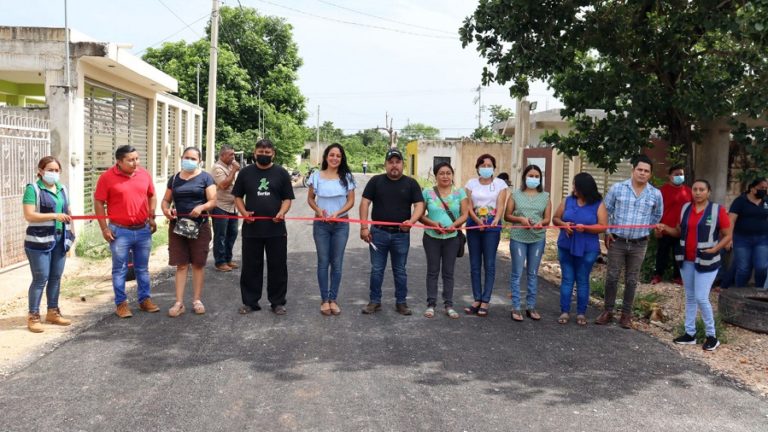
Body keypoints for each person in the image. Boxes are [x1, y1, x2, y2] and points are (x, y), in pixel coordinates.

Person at [656, 179, 732, 351]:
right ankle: (690, 334)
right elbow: (678, 231)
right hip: (686, 259)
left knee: (701, 297)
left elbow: (728, 235)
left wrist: (715, 249)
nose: (697, 192)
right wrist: (665, 228)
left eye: (702, 189)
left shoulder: (717, 210)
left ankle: (712, 336)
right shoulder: (686, 209)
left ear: (708, 192)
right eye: (695, 189)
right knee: (690, 297)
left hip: (707, 259)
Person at [595, 154, 663, 328]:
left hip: (639, 243)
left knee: (632, 279)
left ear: (650, 174)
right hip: (617, 241)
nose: (642, 173)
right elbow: (605, 210)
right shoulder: (618, 188)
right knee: (611, 277)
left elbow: (657, 215)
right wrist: (607, 231)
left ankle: (626, 315)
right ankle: (608, 311)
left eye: (646, 171)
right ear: (633, 170)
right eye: (639, 169)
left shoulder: (655, 194)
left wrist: (647, 229)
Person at [94, 145, 159, 318]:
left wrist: (151, 215)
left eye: (137, 158)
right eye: (130, 160)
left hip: (143, 229)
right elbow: (99, 202)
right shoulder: (107, 177)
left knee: (142, 268)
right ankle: (121, 304)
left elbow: (152, 194)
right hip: (119, 231)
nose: (135, 162)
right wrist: (104, 228)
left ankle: (145, 300)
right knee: (120, 269)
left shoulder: (144, 174)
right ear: (119, 161)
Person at [359, 148, 425, 315]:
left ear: (403, 164)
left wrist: (411, 221)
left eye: (397, 162)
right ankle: (374, 301)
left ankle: (401, 303)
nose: (394, 165)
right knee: (376, 269)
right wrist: (364, 227)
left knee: (400, 270)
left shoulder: (411, 183)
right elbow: (365, 203)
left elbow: (419, 206)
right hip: (378, 233)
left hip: (401, 235)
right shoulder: (375, 181)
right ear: (385, 164)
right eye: (391, 162)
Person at [233, 139, 295, 315]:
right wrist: (243, 212)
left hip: (276, 229)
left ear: (273, 154)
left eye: (268, 153)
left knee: (278, 267)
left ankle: (277, 302)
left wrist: (282, 212)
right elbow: (237, 196)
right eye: (261, 151)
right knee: (251, 267)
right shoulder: (245, 173)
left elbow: (287, 199)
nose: (264, 155)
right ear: (255, 152)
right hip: (251, 229)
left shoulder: (281, 173)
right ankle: (250, 302)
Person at [161, 147, 217, 317]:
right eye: (186, 157)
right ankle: (179, 303)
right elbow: (166, 200)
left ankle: (197, 300)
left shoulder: (206, 177)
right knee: (181, 264)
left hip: (199, 226)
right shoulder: (175, 178)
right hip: (178, 227)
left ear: (199, 161)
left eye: (193, 158)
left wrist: (201, 207)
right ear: (181, 158)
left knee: (198, 264)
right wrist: (165, 210)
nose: (189, 161)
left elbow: (213, 201)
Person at [22, 156, 75, 332]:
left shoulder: (62, 189)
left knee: (55, 277)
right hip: (38, 242)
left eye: (56, 170)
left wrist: (70, 233)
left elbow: (67, 211)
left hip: (59, 239)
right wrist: (54, 216)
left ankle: (53, 312)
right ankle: (33, 316)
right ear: (41, 171)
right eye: (49, 170)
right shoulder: (33, 189)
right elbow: (29, 215)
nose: (53, 173)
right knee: (40, 278)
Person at [306, 143, 356, 316]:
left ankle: (333, 299)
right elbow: (311, 199)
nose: (335, 158)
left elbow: (351, 201)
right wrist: (319, 211)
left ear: (342, 159)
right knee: (323, 261)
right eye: (332, 155)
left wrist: (338, 213)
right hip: (321, 224)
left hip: (341, 224)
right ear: (326, 157)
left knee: (337, 263)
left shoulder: (347, 177)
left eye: (338, 156)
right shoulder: (316, 176)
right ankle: (324, 300)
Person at [552, 173, 608, 326]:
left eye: (576, 185)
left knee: (582, 280)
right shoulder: (568, 200)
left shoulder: (598, 204)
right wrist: (564, 225)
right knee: (567, 279)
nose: (573, 188)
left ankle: (581, 313)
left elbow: (603, 226)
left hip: (588, 248)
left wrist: (587, 228)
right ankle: (564, 311)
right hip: (566, 245)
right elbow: (555, 218)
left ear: (585, 187)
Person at [419, 162, 468, 319]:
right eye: (441, 173)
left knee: (449, 272)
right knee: (432, 271)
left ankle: (449, 305)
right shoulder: (427, 192)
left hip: (452, 238)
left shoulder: (460, 193)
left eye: (448, 173)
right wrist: (433, 224)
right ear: (436, 175)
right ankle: (431, 304)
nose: (445, 176)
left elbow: (465, 214)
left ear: (452, 175)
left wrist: (454, 226)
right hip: (431, 237)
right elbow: (419, 214)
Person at [504, 165, 551, 321]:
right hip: (518, 237)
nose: (534, 179)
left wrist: (540, 223)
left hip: (537, 238)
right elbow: (507, 216)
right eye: (531, 176)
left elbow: (547, 219)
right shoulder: (515, 195)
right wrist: (520, 219)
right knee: (517, 273)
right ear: (524, 177)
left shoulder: (545, 196)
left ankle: (531, 306)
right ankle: (516, 307)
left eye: (537, 176)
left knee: (532, 273)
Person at [464, 154, 508, 317]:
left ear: (494, 168)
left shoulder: (500, 184)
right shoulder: (471, 183)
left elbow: (501, 205)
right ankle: (476, 298)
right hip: (473, 223)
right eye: (483, 165)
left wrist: (494, 221)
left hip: (492, 225)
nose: (486, 168)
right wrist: (477, 221)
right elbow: (468, 205)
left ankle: (486, 300)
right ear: (477, 167)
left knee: (489, 263)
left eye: (489, 165)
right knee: (474, 263)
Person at [652, 164, 691, 285]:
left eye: (681, 174)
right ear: (670, 176)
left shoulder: (688, 191)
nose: (679, 176)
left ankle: (678, 276)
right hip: (665, 228)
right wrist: (656, 227)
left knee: (679, 254)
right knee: (662, 253)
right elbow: (655, 210)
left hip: (682, 229)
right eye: (676, 174)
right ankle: (658, 275)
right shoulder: (662, 191)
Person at [728, 177, 768, 288]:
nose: (764, 190)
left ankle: (759, 292)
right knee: (743, 268)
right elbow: (731, 220)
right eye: (761, 188)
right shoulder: (740, 201)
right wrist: (729, 238)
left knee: (762, 267)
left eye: (765, 188)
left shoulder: (766, 201)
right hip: (742, 239)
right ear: (752, 188)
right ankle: (739, 293)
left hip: (762, 240)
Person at [210, 144, 241, 272]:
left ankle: (228, 259)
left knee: (232, 234)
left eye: (234, 154)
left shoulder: (230, 166)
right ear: (222, 155)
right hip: (220, 206)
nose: (233, 157)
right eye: (231, 155)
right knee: (220, 235)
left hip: (232, 207)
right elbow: (223, 185)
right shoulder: (217, 168)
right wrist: (234, 171)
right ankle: (220, 262)